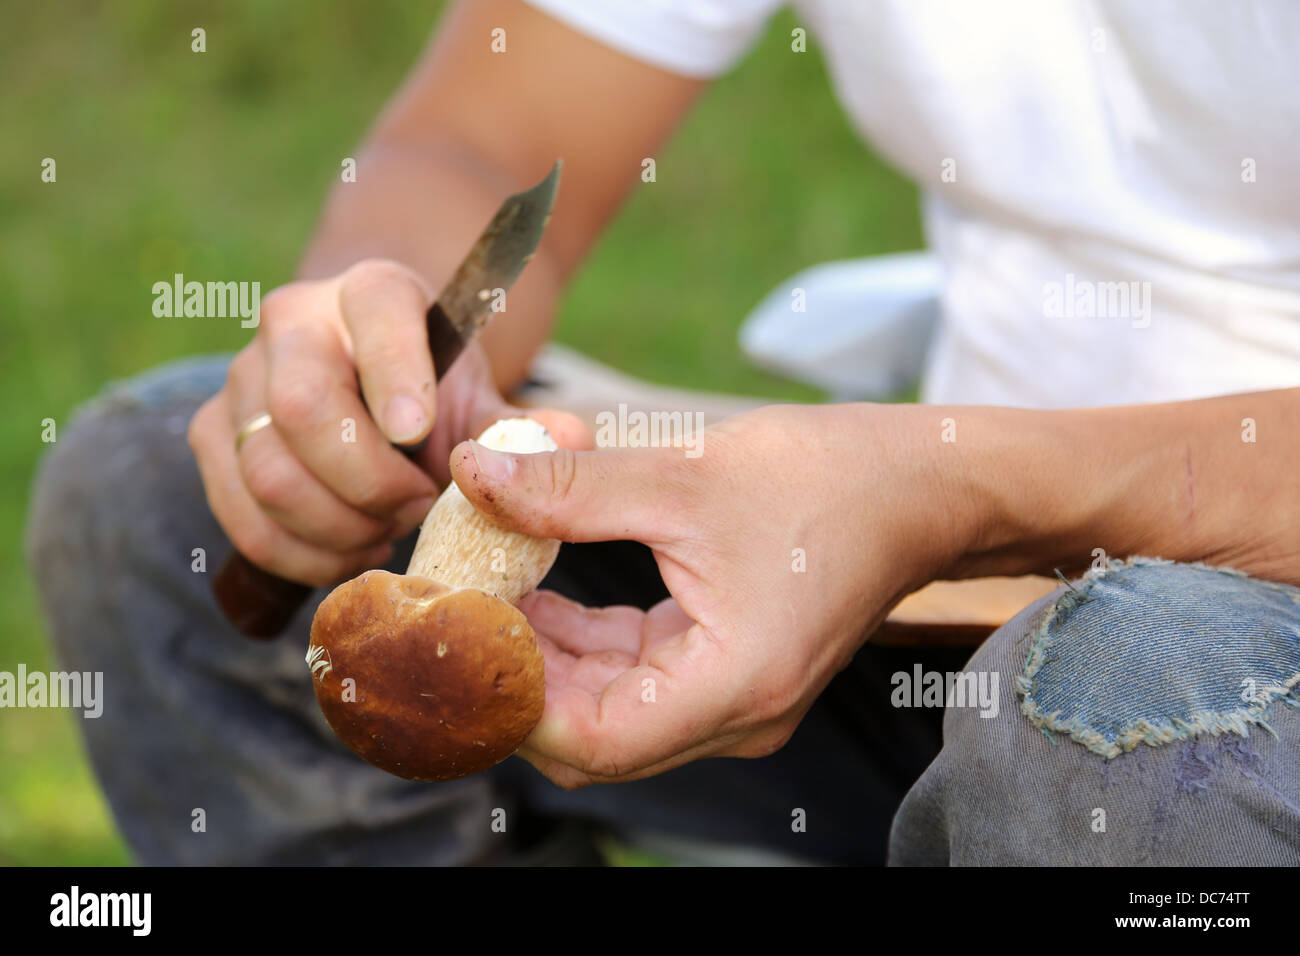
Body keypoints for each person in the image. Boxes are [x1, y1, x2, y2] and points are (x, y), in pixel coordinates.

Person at [28, 0, 1300, 865]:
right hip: (900, 565)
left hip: (1209, 631)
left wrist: (956, 485)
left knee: (1124, 701)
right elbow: (488, 134)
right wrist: (369, 358)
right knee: (151, 486)